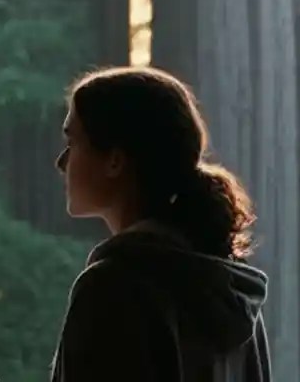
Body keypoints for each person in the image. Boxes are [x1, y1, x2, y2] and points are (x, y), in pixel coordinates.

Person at [50, 66, 272, 382]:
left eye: (72, 142)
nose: (62, 163)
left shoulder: (110, 288)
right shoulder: (233, 291)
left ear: (115, 160)